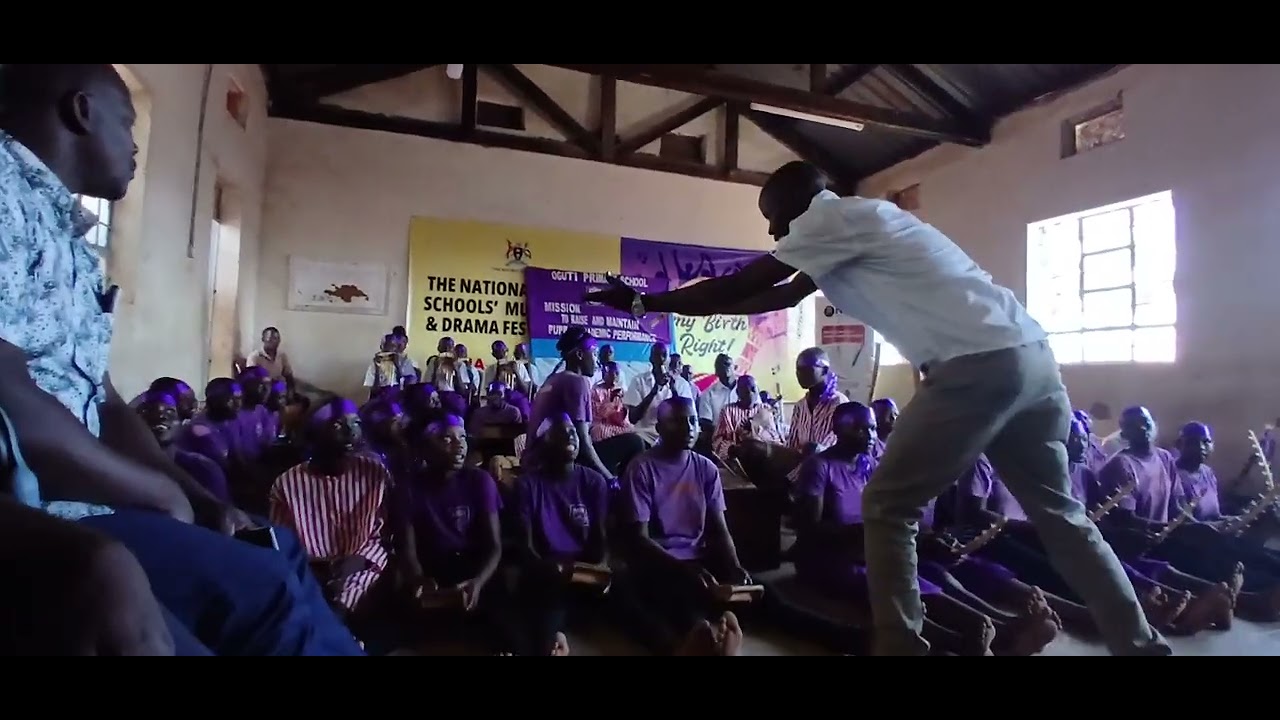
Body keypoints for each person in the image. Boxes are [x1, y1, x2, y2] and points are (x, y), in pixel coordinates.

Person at [585, 159, 1164, 656]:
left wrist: (643, 299)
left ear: (795, 203)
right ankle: (1140, 643)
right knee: (1063, 517)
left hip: (975, 363)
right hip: (1033, 358)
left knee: (887, 507)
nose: (770, 229)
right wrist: (656, 303)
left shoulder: (827, 219)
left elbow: (738, 285)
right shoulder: (861, 225)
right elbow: (776, 295)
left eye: (771, 215)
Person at [0, 63, 361, 655]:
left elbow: (104, 398)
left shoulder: (66, 235)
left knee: (272, 545)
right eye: (127, 119)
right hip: (46, 512)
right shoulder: (5, 195)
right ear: (80, 111)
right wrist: (151, 489)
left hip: (91, 498)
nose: (136, 141)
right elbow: (8, 394)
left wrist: (192, 492)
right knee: (265, 594)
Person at [614, 397, 748, 656]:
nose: (689, 427)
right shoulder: (642, 468)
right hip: (659, 560)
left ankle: (844, 635)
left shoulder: (706, 468)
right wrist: (683, 568)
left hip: (697, 558)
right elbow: (639, 539)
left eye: (693, 420)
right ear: (660, 428)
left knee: (764, 594)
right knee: (669, 597)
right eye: (678, 421)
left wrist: (734, 565)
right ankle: (701, 641)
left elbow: (719, 529)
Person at [391, 414, 521, 653]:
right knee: (407, 617)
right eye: (446, 439)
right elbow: (407, 549)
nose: (459, 444)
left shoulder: (479, 480)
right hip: (433, 566)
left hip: (474, 564)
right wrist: (419, 578)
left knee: (506, 619)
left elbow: (493, 545)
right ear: (426, 448)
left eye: (462, 437)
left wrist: (478, 581)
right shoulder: (409, 487)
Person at [270, 398, 391, 618]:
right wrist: (315, 570)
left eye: (356, 424)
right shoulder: (287, 484)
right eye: (337, 425)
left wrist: (359, 559)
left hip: (362, 565)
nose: (351, 432)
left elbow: (382, 534)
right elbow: (282, 545)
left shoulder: (375, 473)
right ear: (314, 431)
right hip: (309, 569)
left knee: (351, 593)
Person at [513, 413, 612, 656]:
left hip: (583, 569)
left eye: (573, 432)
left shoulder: (593, 481)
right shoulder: (528, 485)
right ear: (543, 442)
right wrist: (549, 568)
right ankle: (554, 639)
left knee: (625, 589)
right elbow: (526, 546)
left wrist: (601, 565)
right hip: (547, 568)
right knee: (546, 598)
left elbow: (600, 535)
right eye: (560, 432)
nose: (570, 436)